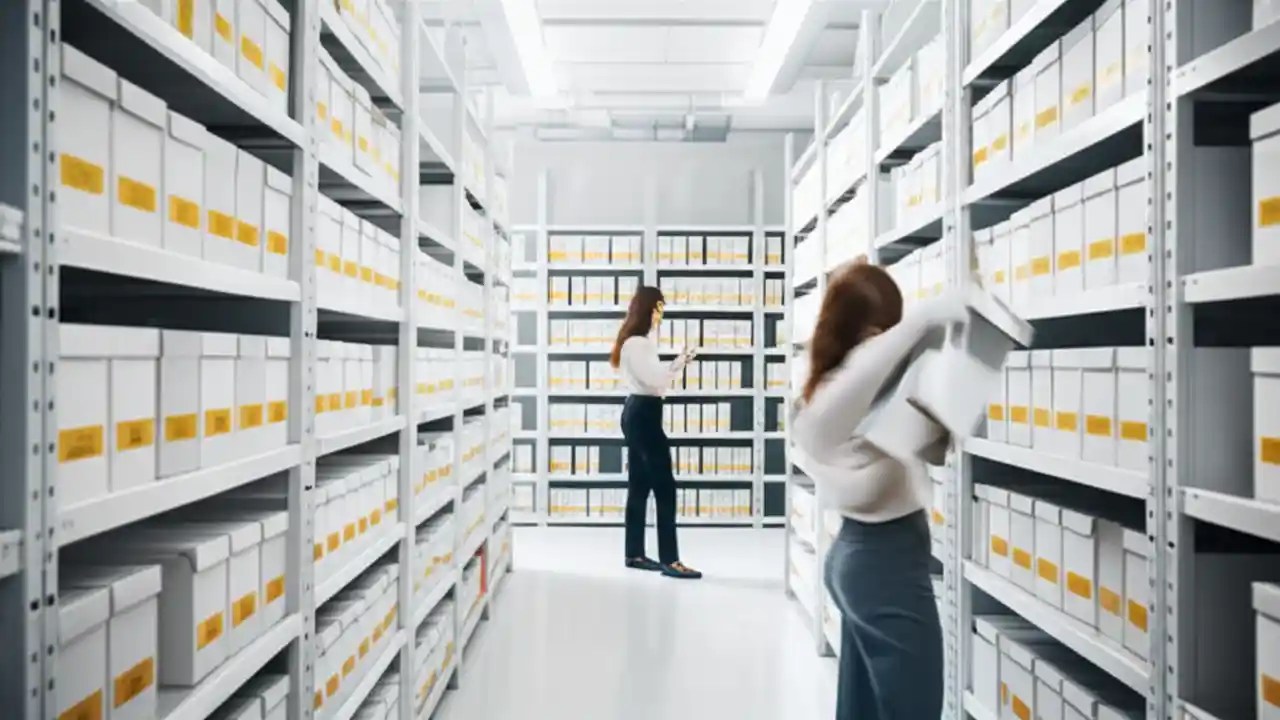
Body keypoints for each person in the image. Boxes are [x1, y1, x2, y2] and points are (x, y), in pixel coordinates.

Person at [791, 261, 965, 720]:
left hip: (866, 562)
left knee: (863, 709)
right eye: (881, 334)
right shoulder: (835, 394)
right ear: (868, 333)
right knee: (915, 709)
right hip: (883, 567)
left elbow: (927, 450)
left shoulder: (866, 395)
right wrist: (925, 319)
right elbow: (826, 422)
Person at [609, 285, 702, 579]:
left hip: (637, 411)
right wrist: (676, 369)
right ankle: (670, 560)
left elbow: (654, 379)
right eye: (658, 308)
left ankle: (634, 553)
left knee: (639, 484)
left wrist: (676, 364)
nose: (660, 315)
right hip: (645, 413)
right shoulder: (640, 344)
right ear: (648, 309)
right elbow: (657, 383)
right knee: (665, 486)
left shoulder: (632, 342)